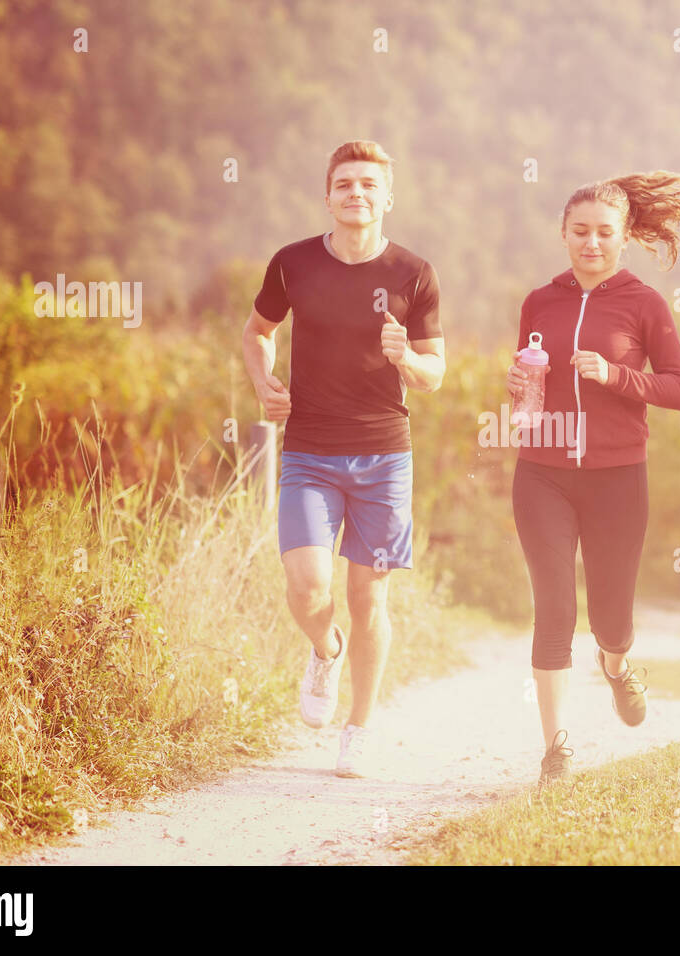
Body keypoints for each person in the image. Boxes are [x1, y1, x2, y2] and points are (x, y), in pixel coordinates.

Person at [508, 172, 680, 786]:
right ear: (563, 234)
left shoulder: (644, 304)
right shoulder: (538, 301)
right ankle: (557, 749)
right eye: (580, 232)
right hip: (543, 472)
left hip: (617, 478)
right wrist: (521, 384)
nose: (591, 244)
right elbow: (528, 377)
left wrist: (613, 375)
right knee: (553, 607)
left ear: (624, 237)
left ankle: (617, 664)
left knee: (610, 618)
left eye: (605, 233)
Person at [241, 140, 444, 778]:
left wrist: (404, 358)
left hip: (384, 457)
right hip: (308, 450)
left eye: (368, 185)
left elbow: (435, 373)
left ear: (388, 197)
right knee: (307, 587)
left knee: (369, 599)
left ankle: (358, 728)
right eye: (344, 184)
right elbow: (256, 333)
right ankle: (324, 652)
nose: (356, 193)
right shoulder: (292, 264)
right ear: (328, 196)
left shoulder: (415, 273)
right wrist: (263, 383)